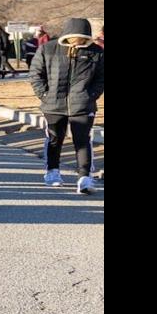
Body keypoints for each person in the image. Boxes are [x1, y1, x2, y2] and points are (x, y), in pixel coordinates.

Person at [29, 17, 104, 194]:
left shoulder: (96, 52)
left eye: (83, 38)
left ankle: (84, 177)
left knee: (83, 140)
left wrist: (91, 95)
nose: (79, 41)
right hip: (53, 104)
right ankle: (52, 172)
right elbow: (35, 75)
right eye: (76, 37)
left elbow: (101, 78)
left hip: (83, 105)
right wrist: (45, 95)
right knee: (55, 139)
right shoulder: (48, 48)